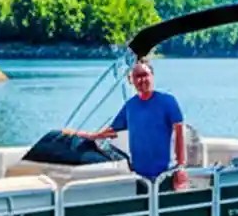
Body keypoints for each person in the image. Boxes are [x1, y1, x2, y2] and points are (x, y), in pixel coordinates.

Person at [76, 58, 189, 191]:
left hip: (165, 174)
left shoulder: (167, 101)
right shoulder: (130, 106)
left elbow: (180, 132)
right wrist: (86, 135)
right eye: (137, 77)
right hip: (140, 176)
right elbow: (111, 131)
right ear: (132, 81)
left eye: (145, 75)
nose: (142, 80)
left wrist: (181, 167)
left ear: (152, 76)